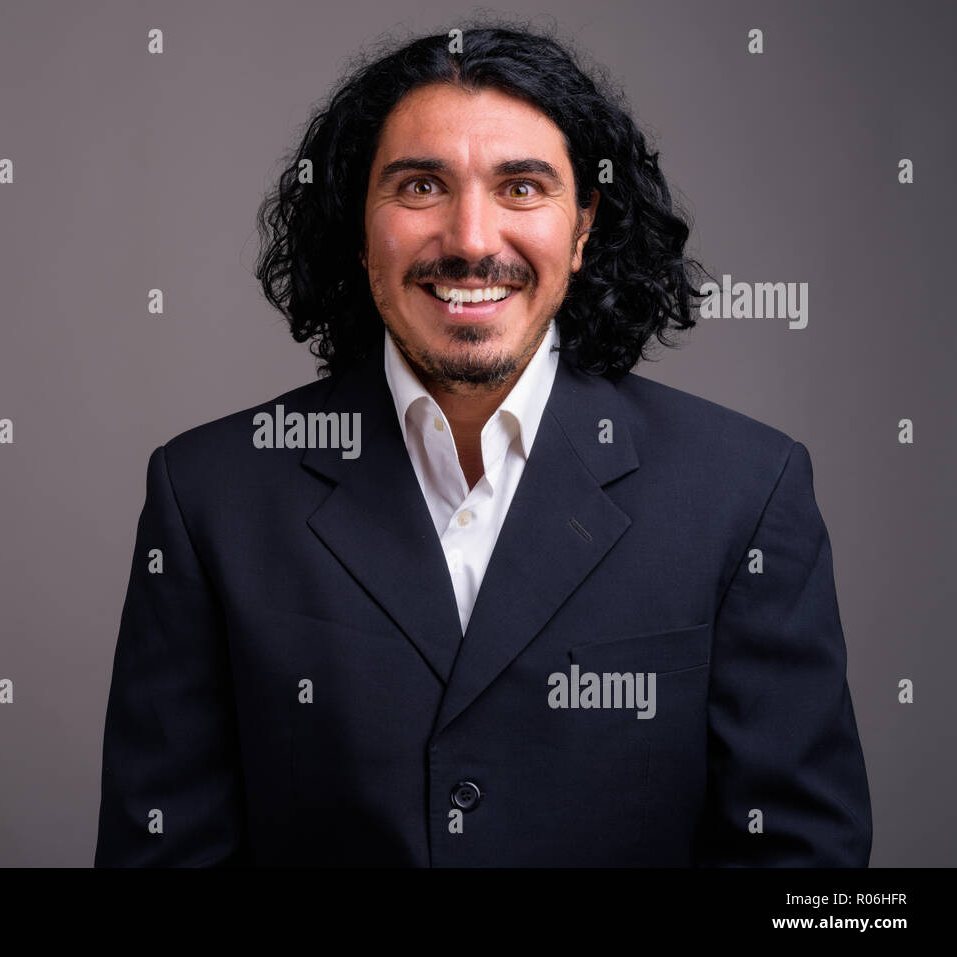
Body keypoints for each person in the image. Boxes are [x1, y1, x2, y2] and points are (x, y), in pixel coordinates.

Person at [94, 22, 872, 866]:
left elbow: (812, 878)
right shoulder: (208, 494)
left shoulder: (746, 491)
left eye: (523, 187)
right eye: (421, 186)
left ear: (582, 230)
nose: (470, 239)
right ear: (359, 230)